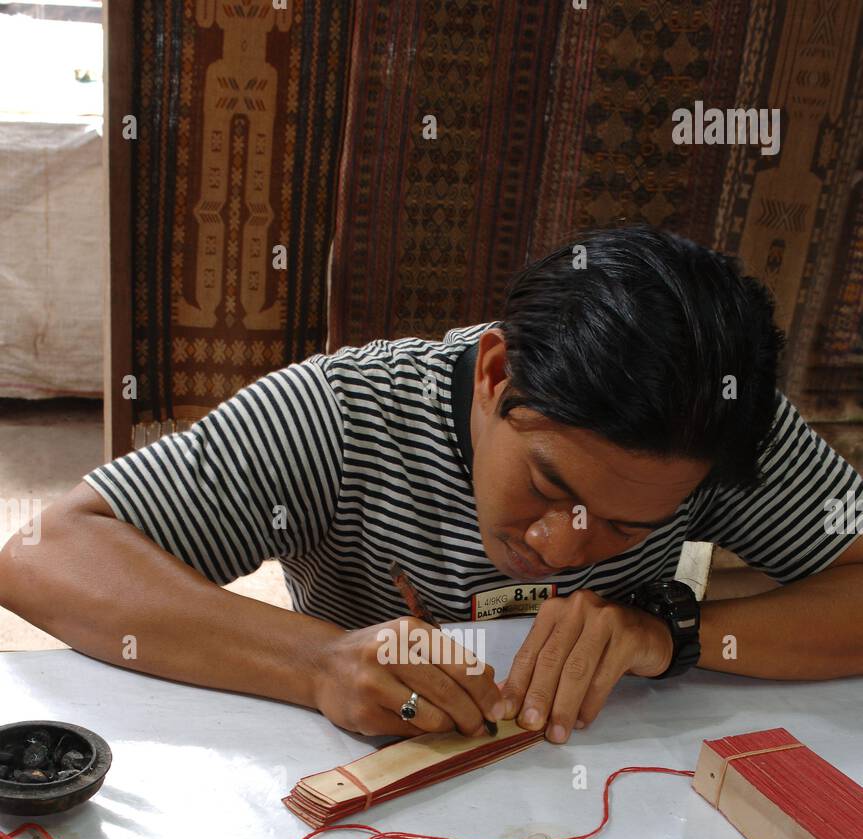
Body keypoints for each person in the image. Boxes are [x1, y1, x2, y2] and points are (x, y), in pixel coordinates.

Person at [2, 224, 861, 744]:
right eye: (546, 483)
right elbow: (45, 554)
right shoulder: (344, 413)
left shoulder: (710, 428)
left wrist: (669, 635)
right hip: (353, 780)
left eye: (626, 529)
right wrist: (316, 662)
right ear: (494, 371)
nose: (559, 551)